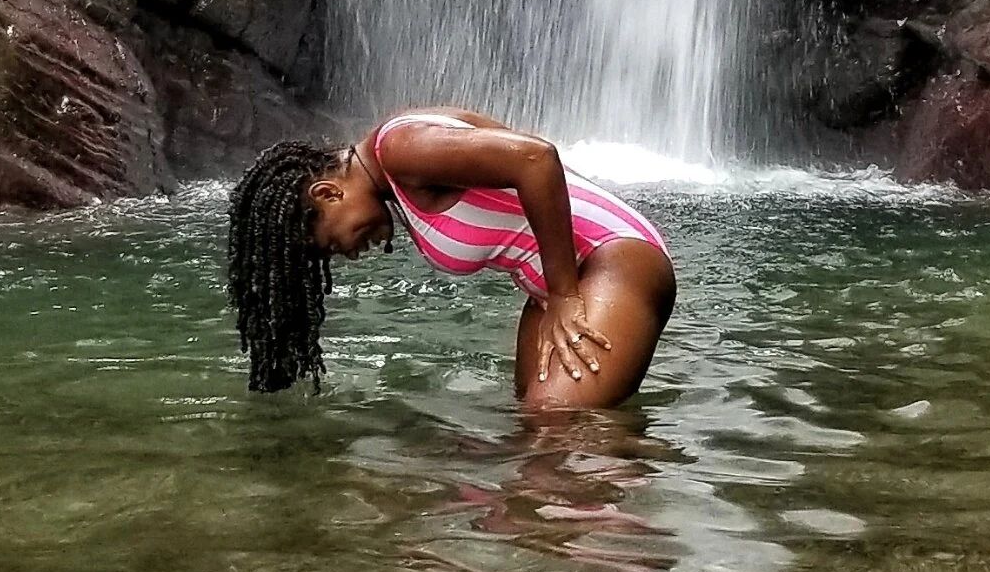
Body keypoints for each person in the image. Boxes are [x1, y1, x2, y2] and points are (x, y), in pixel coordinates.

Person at [227, 107, 676, 410]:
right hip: (560, 283)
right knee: (534, 430)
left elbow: (536, 159)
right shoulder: (396, 173)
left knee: (557, 429)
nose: (346, 253)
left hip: (609, 257)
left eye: (330, 243)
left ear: (328, 193)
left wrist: (562, 294)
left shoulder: (399, 148)